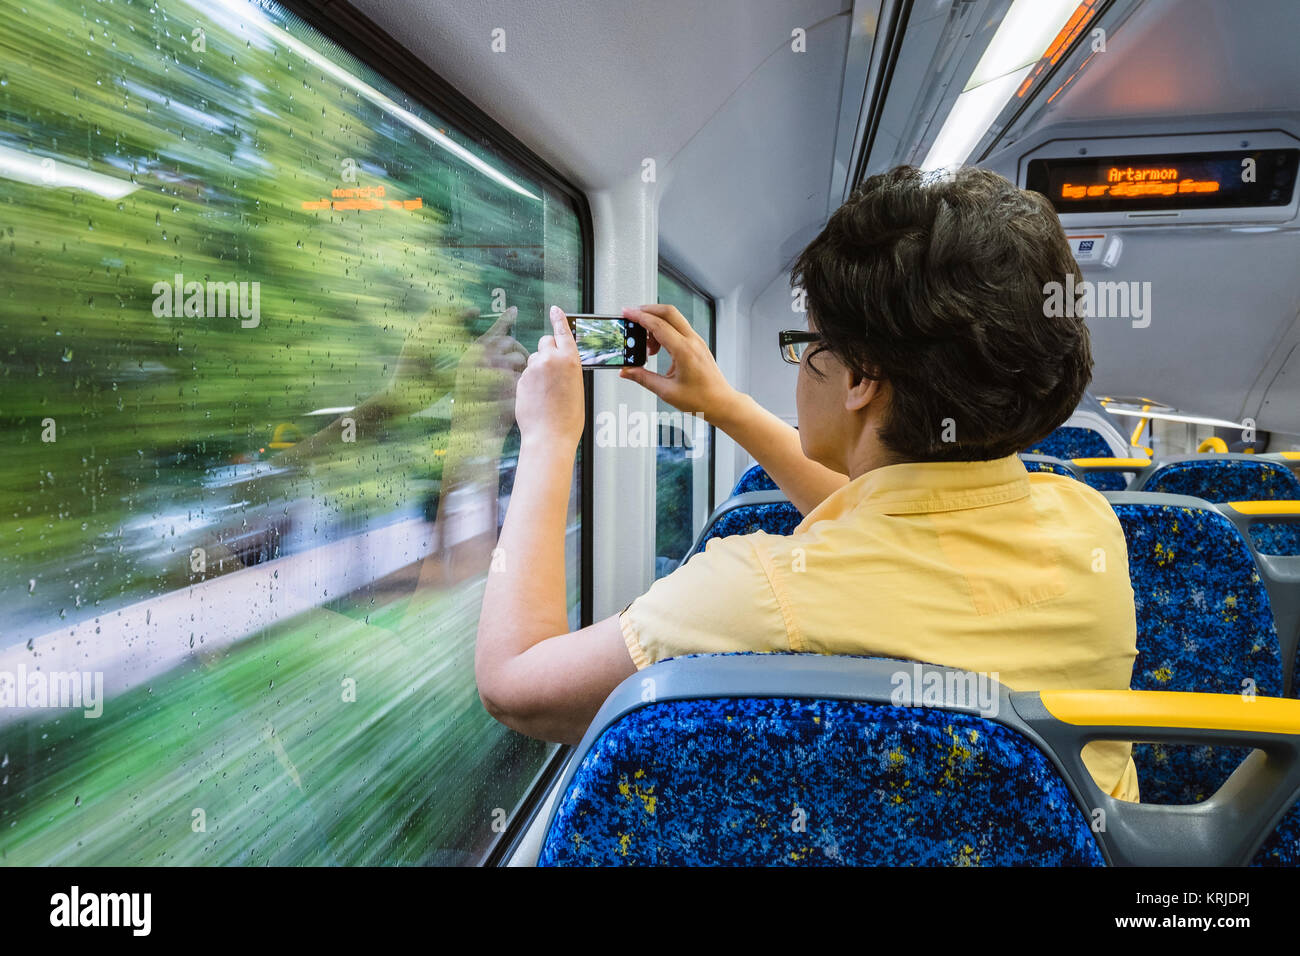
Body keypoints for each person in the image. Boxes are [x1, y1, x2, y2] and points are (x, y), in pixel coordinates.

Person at [474, 165, 1139, 802]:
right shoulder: (1086, 521)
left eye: (808, 341)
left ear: (859, 379)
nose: (801, 360)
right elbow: (900, 530)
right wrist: (723, 405)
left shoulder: (755, 597)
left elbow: (514, 684)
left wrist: (548, 437)